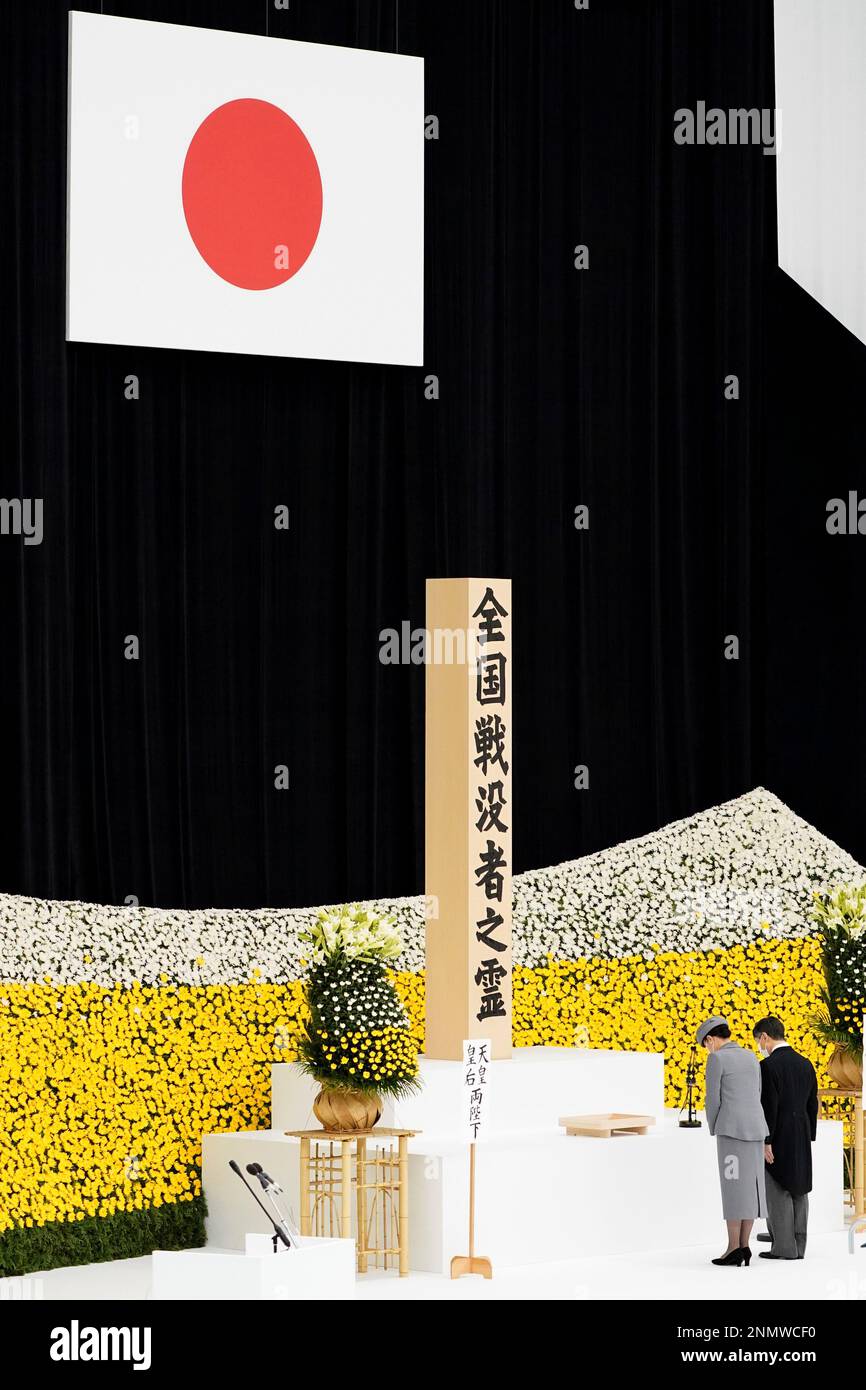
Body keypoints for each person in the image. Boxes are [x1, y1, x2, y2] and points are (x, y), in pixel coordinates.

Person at [697, 1014, 767, 1266]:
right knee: (751, 1188)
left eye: (705, 1044)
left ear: (710, 1039)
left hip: (731, 1130)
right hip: (756, 1128)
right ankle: (745, 1246)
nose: (707, 1049)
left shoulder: (716, 1058)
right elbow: (757, 1093)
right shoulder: (751, 1056)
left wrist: (714, 1125)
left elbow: (712, 1099)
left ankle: (732, 1248)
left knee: (733, 1186)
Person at [752, 1015, 818, 1260]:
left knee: (777, 1188)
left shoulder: (767, 1066)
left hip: (778, 1132)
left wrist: (766, 1140)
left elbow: (768, 1106)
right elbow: (813, 1103)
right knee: (800, 1187)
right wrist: (809, 1133)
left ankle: (783, 1248)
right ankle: (799, 1247)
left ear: (765, 1037)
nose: (759, 1046)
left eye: (758, 1041)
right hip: (801, 1131)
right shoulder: (805, 1063)